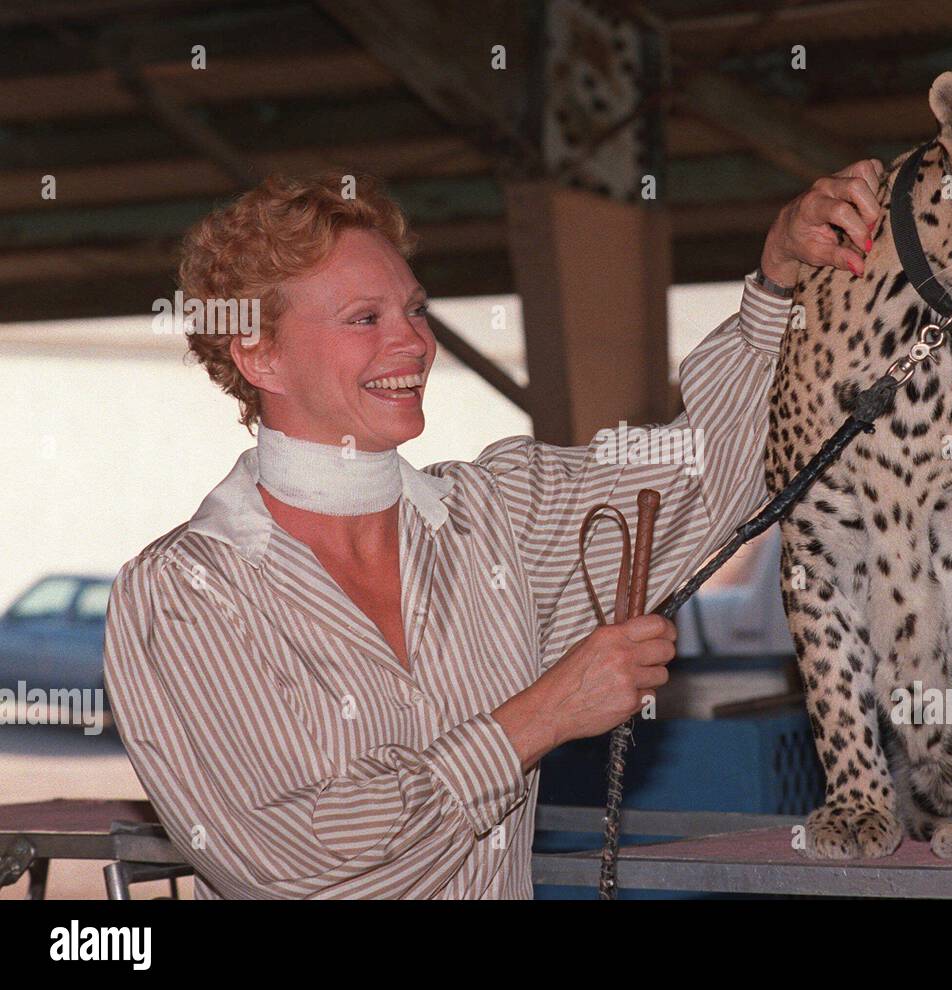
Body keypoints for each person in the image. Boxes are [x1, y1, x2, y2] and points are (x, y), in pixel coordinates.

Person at [103, 162, 883, 898]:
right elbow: (300, 869)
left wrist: (778, 276)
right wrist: (542, 715)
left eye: (414, 308)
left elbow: (702, 475)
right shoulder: (182, 594)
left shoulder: (497, 515)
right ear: (260, 354)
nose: (412, 342)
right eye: (363, 318)